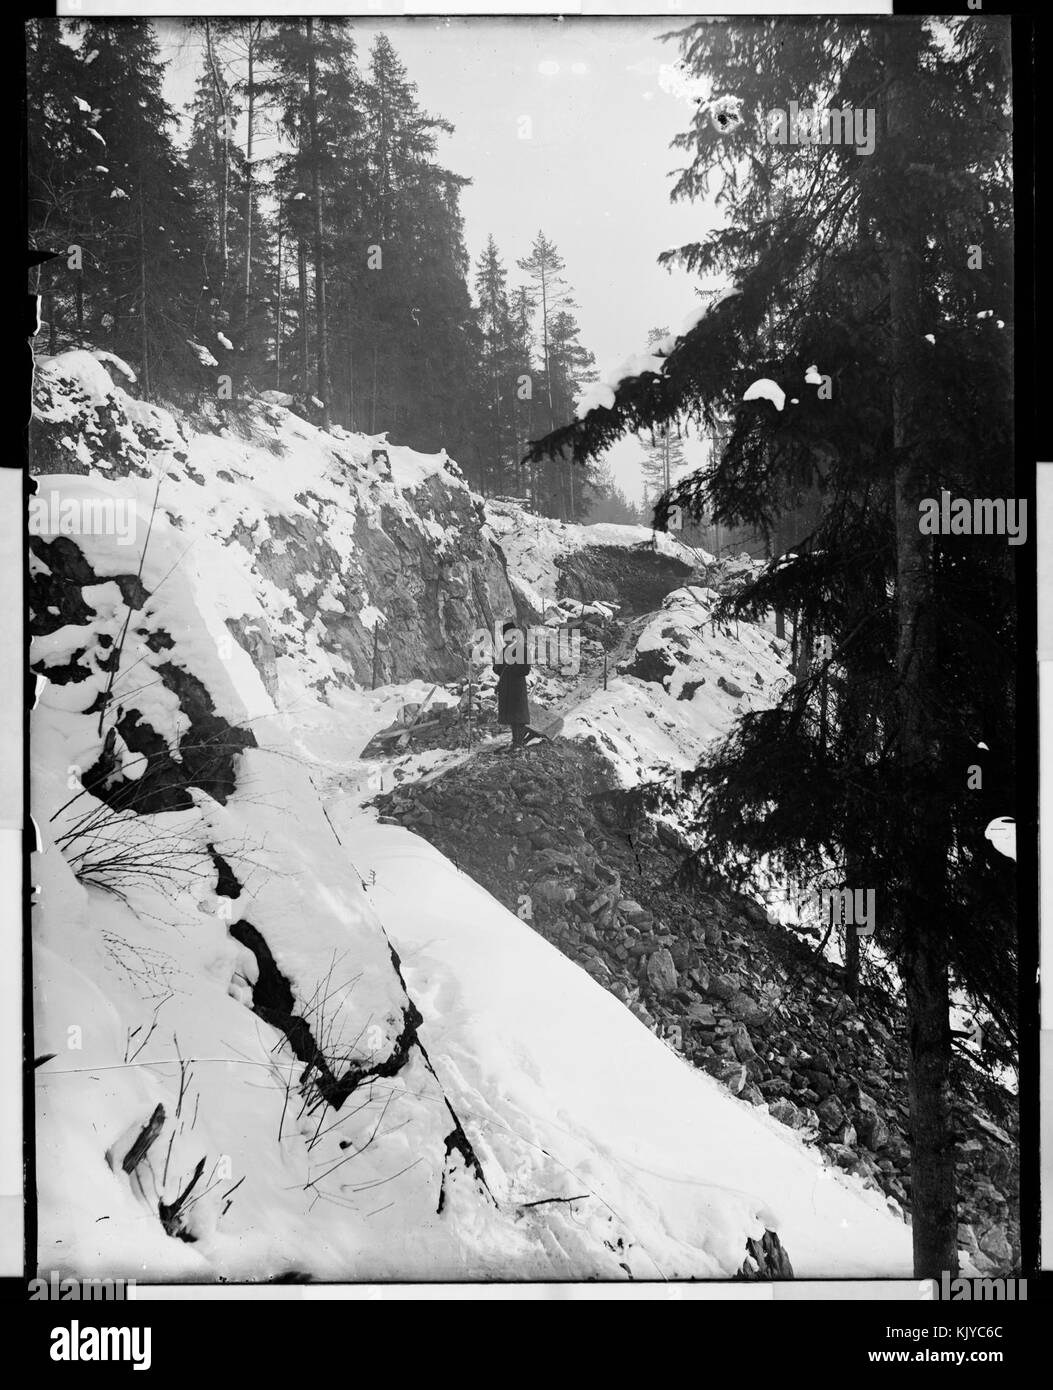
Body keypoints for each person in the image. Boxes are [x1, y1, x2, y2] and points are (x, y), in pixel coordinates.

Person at [494, 619, 531, 750]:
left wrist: (511, 668)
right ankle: (516, 741)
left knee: (519, 716)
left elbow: (525, 669)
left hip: (516, 687)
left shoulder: (522, 649)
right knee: (511, 715)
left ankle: (518, 743)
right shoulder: (504, 651)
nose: (505, 639)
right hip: (506, 686)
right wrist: (501, 667)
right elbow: (496, 668)